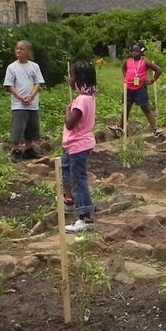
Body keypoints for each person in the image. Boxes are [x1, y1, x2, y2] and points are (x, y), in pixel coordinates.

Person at [62, 61, 98, 233]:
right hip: (75, 145)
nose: (70, 78)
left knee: (79, 181)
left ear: (79, 78)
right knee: (67, 172)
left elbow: (70, 124)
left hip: (78, 145)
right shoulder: (89, 98)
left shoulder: (81, 100)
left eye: (72, 75)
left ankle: (85, 217)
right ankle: (70, 202)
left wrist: (67, 111)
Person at [4, 40, 45, 162]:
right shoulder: (12, 67)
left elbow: (38, 83)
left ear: (28, 51)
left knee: (31, 127)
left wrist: (31, 96)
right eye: (17, 48)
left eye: (21, 49)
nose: (18, 51)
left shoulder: (34, 66)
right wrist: (21, 98)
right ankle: (15, 150)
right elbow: (9, 85)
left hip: (32, 103)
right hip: (18, 104)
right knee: (17, 127)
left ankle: (28, 149)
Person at [120, 43, 164, 138]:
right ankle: (120, 127)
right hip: (128, 88)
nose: (134, 53)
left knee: (146, 108)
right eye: (132, 51)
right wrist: (126, 77)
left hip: (140, 88)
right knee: (126, 108)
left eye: (136, 51)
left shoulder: (145, 62)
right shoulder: (128, 61)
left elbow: (159, 70)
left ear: (141, 52)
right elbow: (123, 68)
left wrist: (151, 81)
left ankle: (155, 129)